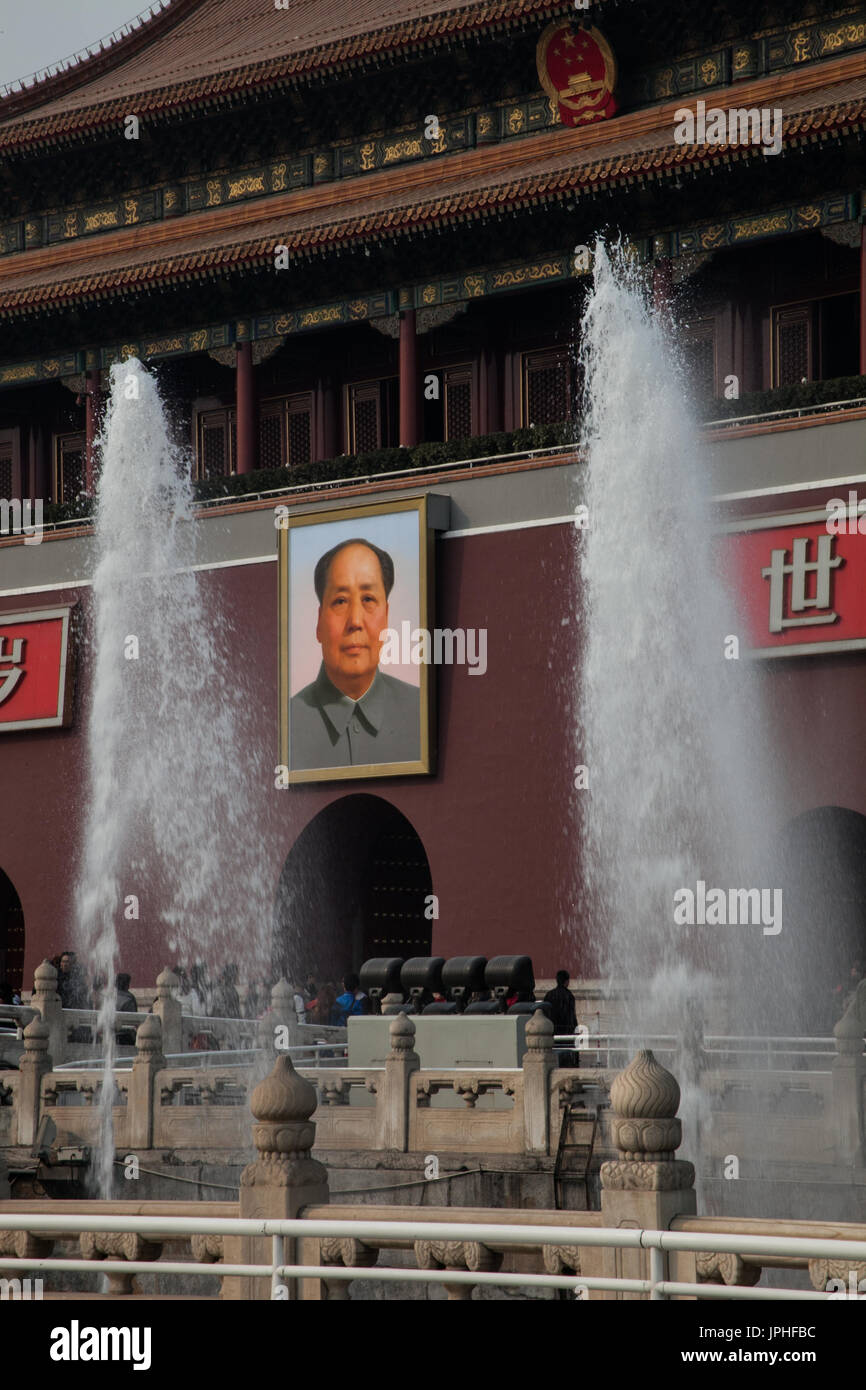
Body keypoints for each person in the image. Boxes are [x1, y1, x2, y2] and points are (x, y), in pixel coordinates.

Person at [289, 538, 420, 770]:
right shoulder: (283, 725)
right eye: (340, 601)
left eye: (368, 599)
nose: (355, 621)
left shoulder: (422, 713)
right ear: (319, 622)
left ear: (387, 617)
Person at [544, 970, 578, 1036]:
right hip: (566, 1031)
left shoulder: (549, 995)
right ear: (566, 981)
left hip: (552, 1030)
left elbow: (546, 1013)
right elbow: (572, 1015)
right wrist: (575, 1029)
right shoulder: (569, 995)